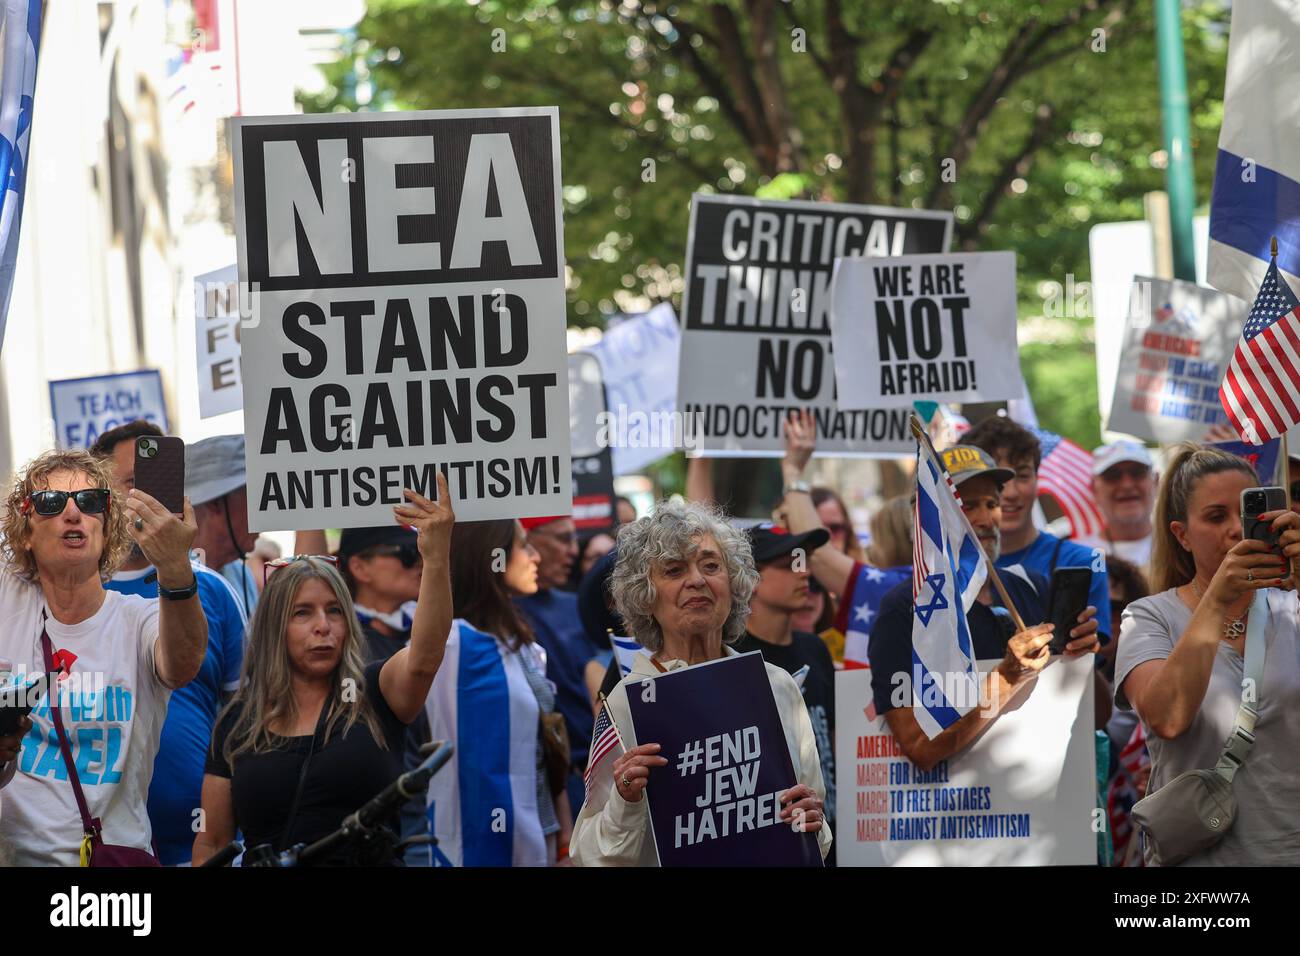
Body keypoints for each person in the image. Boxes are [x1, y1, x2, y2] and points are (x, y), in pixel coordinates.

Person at [192, 474, 454, 867]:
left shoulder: (375, 693)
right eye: (302, 613)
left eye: (334, 611)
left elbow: (425, 655)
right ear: (274, 627)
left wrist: (435, 557)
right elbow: (212, 842)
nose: (323, 625)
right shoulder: (238, 723)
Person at [570, 499, 832, 865]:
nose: (697, 580)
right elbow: (588, 855)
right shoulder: (625, 704)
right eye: (674, 570)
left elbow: (815, 833)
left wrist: (811, 821)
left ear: (734, 582)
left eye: (711, 565)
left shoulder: (776, 686)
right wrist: (625, 799)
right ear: (645, 595)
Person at [0, 449, 208, 866]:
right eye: (50, 503)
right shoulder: (8, 601)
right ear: (24, 532)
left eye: (91, 502)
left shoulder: (139, 619)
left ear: (108, 524)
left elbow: (182, 665)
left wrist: (174, 568)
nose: (72, 514)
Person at [1114, 443, 1300, 865]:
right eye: (1216, 517)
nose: (1236, 529)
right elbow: (1168, 717)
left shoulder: (1291, 608)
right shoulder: (1147, 616)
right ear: (1181, 535)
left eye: (1248, 512)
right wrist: (1217, 600)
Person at [867, 445, 1102, 770]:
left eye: (992, 503)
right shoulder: (903, 608)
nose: (983, 518)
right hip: (957, 815)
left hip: (1044, 810)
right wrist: (1006, 679)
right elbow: (920, 749)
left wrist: (1082, 659)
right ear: (928, 518)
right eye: (964, 505)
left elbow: (1098, 715)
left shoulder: (1029, 585)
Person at [91, 420, 248, 866]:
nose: (150, 497)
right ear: (99, 495)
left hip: (203, 847)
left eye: (160, 481)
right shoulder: (71, 596)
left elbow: (242, 720)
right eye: (133, 483)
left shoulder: (213, 592)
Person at [420, 519, 572, 866]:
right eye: (523, 545)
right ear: (491, 557)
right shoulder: (453, 645)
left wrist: (565, 838)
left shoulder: (524, 646)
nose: (535, 557)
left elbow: (548, 745)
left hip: (542, 836)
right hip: (481, 847)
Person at [733, 522, 838, 862]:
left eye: (805, 560)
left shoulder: (814, 648)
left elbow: (833, 736)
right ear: (751, 578)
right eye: (790, 562)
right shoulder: (731, 658)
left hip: (828, 827)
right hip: (771, 835)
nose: (804, 571)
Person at [960, 414, 1113, 645]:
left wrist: (1083, 647)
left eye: (1022, 475)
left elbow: (1091, 669)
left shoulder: (1083, 562)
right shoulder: (944, 568)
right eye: (999, 478)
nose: (1011, 492)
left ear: (1037, 479)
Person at [777, 411, 911, 667]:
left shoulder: (889, 587)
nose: (869, 548)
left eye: (877, 540)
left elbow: (816, 551)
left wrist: (792, 471)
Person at [516, 514, 600, 813]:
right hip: (550, 789)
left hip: (601, 775)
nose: (574, 551)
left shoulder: (576, 605)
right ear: (526, 539)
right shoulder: (501, 617)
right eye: (563, 539)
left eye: (574, 540)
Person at [186, 435, 260, 617]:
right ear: (216, 503)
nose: (262, 509)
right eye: (253, 497)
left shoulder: (240, 572)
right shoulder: (171, 576)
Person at [337, 525, 423, 664]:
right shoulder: (338, 639)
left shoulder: (433, 629)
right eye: (408, 553)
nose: (422, 563)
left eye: (423, 553)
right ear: (360, 568)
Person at [1076, 441, 1157, 569]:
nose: (1127, 485)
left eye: (1137, 473)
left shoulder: (1182, 545)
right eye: (1112, 476)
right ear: (1094, 490)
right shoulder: (1078, 558)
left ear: (1155, 482)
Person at [810, 487, 865, 561]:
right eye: (819, 532)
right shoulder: (798, 567)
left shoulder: (863, 570)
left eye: (835, 528)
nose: (829, 536)